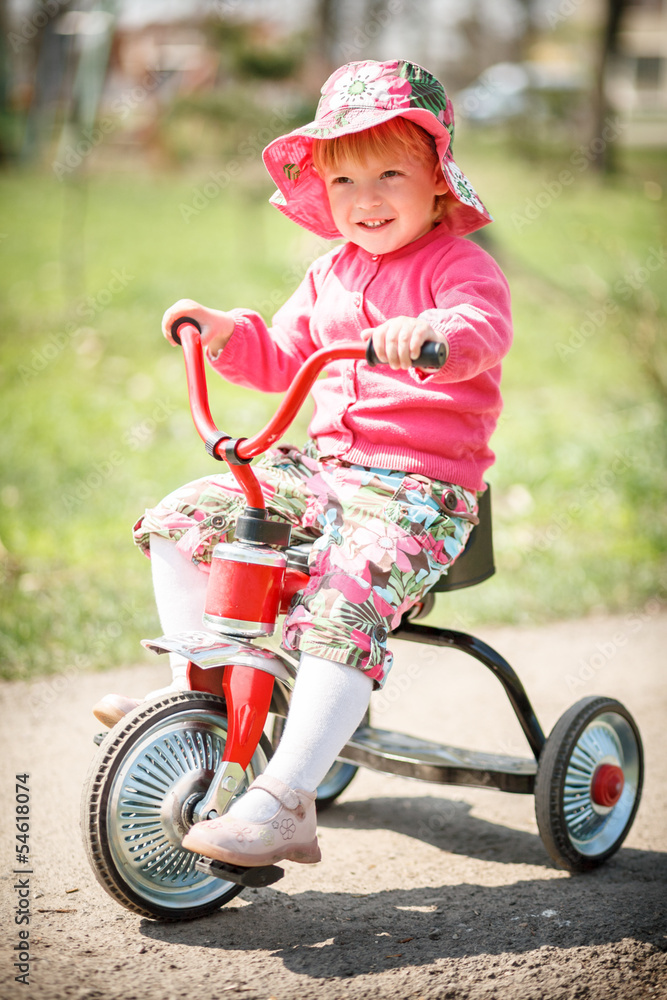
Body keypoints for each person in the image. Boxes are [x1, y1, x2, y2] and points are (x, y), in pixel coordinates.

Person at [93, 59, 512, 868]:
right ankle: (201, 697)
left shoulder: (458, 268)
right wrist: (223, 332)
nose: (366, 197)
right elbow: (283, 354)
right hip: (325, 476)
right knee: (186, 520)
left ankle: (287, 800)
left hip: (418, 495)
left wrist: (431, 337)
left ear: (436, 181)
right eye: (345, 178)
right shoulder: (329, 271)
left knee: (343, 603)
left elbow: (477, 332)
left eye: (391, 171)